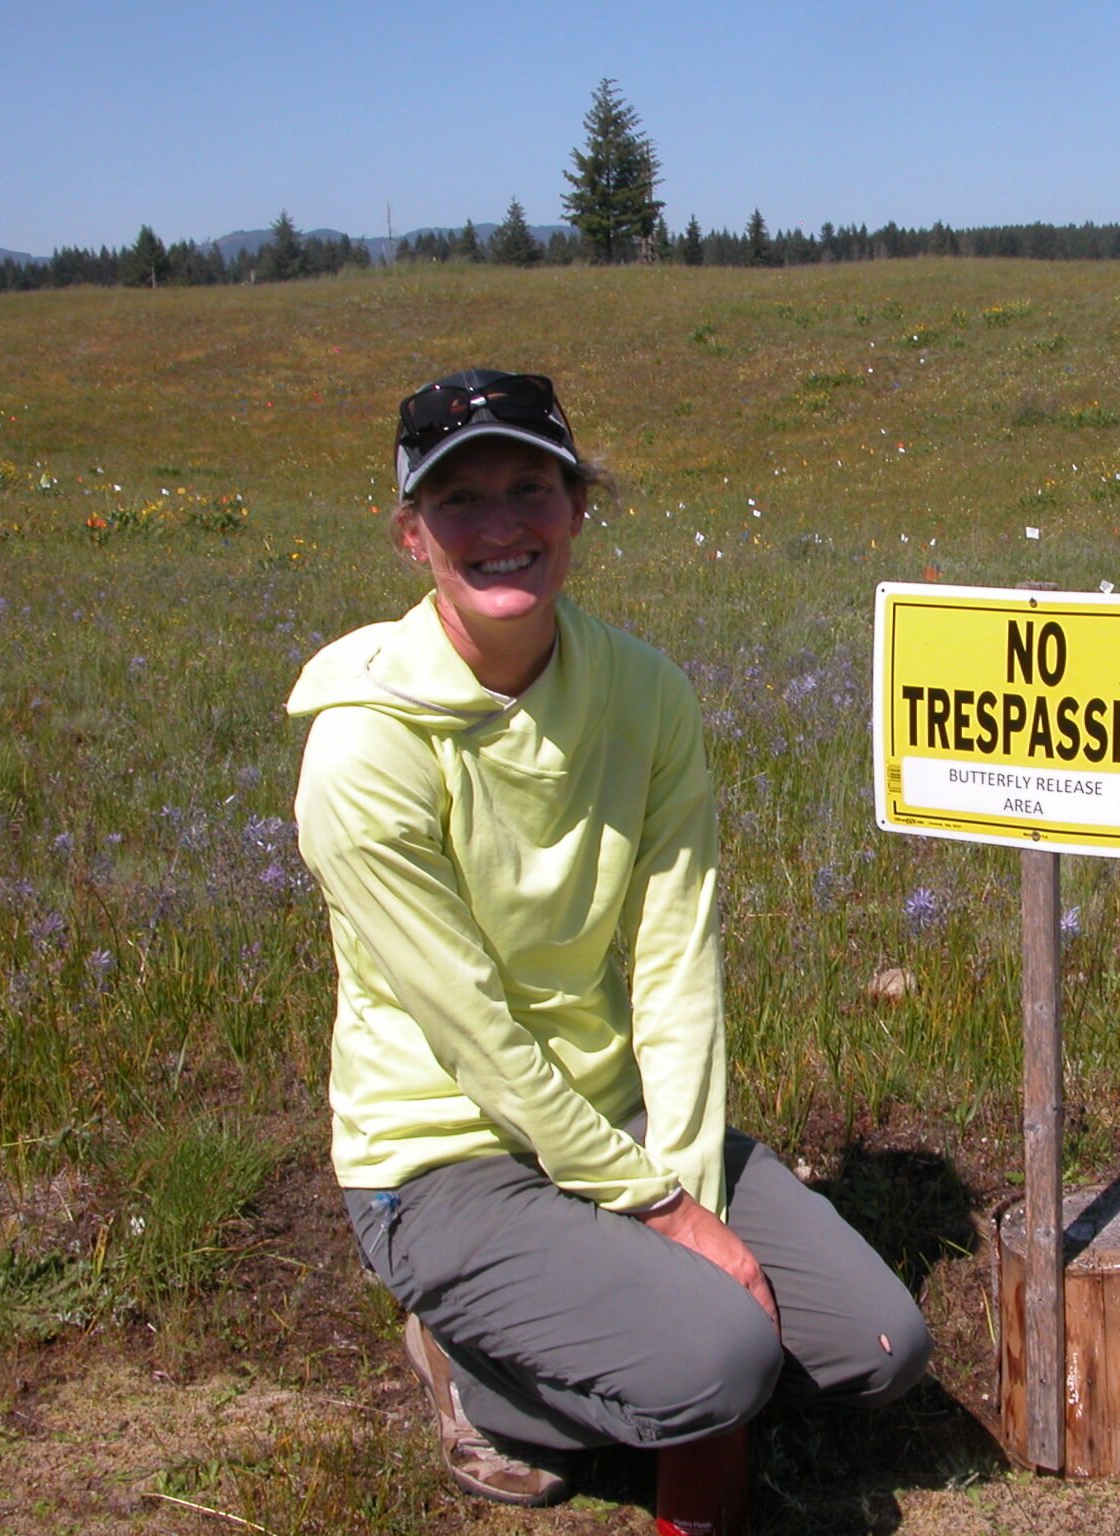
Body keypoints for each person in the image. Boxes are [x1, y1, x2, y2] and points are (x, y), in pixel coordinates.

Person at [288, 369, 931, 1506]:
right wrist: (664, 1218)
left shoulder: (645, 696)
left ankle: (647, 1349)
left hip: (613, 1113)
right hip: (441, 1155)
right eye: (458, 500)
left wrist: (681, 1185)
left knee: (880, 1352)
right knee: (722, 1360)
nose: (500, 527)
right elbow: (476, 1037)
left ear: (576, 508)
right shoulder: (361, 750)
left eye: (529, 488)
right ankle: (474, 1371)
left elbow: (678, 964)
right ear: (410, 536)